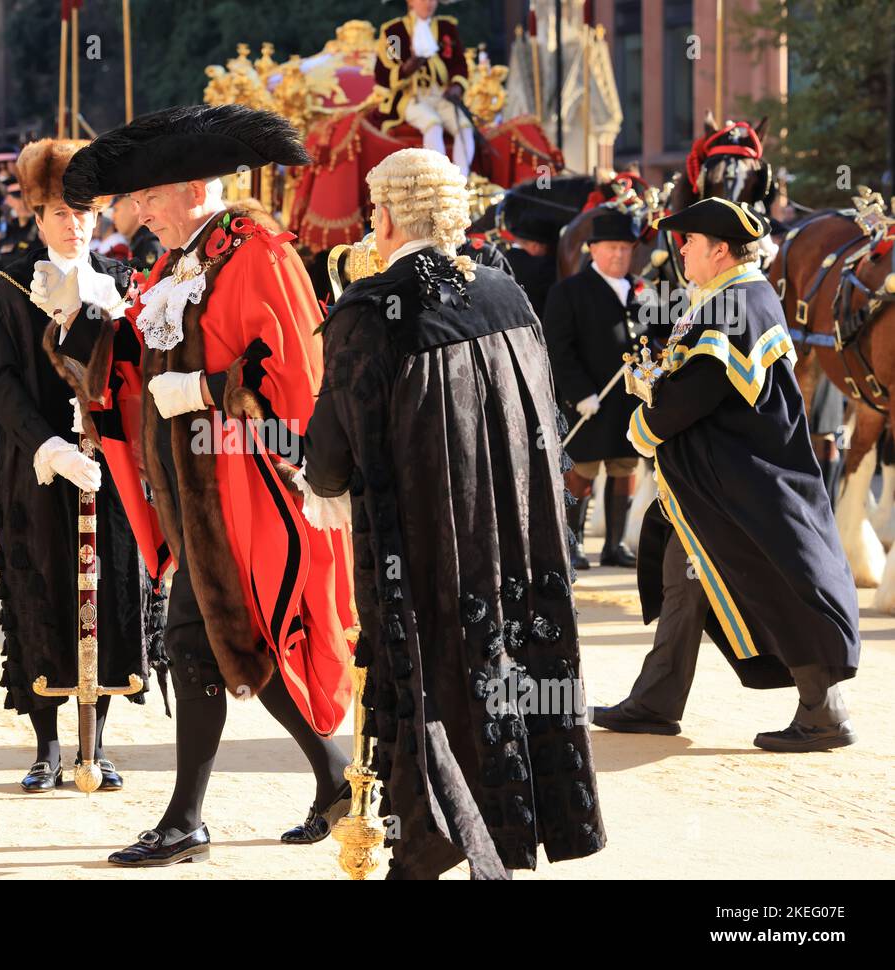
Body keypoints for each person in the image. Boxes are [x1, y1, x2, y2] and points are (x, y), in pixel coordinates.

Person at [47, 103, 357, 866]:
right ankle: (334, 778)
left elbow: (294, 374)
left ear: (191, 188)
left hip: (249, 490)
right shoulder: (176, 260)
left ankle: (189, 818)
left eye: (148, 197)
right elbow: (138, 361)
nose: (138, 213)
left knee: (208, 638)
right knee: (224, 641)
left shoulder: (258, 251)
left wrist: (210, 392)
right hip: (193, 494)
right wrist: (87, 335)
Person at [299, 148, 605, 879]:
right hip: (516, 547)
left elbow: (331, 456)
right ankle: (507, 839)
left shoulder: (369, 310)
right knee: (510, 676)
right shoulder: (507, 293)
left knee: (430, 690)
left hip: (427, 552)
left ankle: (429, 848)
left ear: (388, 215)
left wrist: (317, 478)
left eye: (374, 208)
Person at [0, 138, 155, 794]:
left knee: (111, 594)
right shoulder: (7, 283)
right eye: (59, 210)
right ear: (37, 213)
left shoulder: (123, 279)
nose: (74, 221)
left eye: (85, 209)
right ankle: (48, 744)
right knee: (40, 591)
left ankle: (97, 741)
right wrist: (47, 446)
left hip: (108, 471)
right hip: (39, 468)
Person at [594, 197, 861, 752]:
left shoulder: (733, 303)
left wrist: (646, 422)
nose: (680, 248)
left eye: (689, 240)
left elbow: (698, 391)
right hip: (713, 482)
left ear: (719, 249)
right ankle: (656, 701)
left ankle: (824, 713)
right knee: (682, 580)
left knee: (780, 581)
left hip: (744, 484)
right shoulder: (730, 295)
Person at [544, 209, 648, 569]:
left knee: (624, 469)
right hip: (588, 401)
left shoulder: (641, 292)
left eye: (625, 248)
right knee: (581, 474)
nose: (620, 255)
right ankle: (571, 545)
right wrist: (579, 393)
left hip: (628, 402)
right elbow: (558, 349)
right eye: (612, 248)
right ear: (593, 249)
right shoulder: (569, 291)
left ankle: (614, 545)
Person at [373, 0, 473, 174]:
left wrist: (457, 86)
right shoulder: (393, 33)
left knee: (464, 126)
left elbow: (459, 65)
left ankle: (460, 182)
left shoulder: (446, 28)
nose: (428, 3)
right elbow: (382, 73)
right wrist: (404, 70)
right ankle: (439, 180)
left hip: (442, 96)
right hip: (411, 97)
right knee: (432, 123)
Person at [103, 193, 165, 274]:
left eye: (115, 210)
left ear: (134, 207)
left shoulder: (149, 244)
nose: (112, 217)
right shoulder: (140, 242)